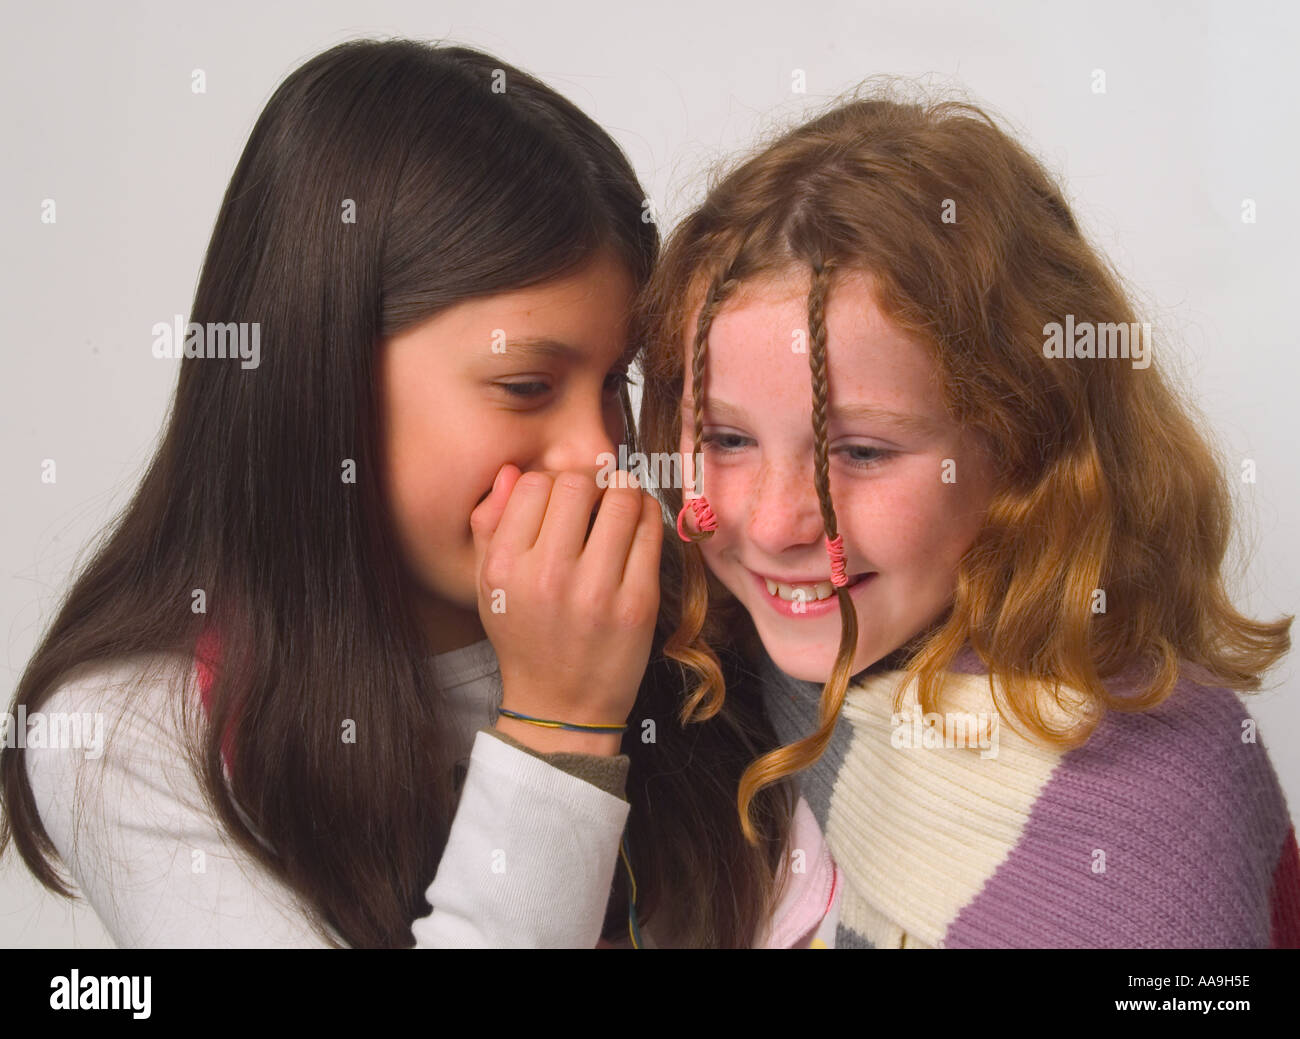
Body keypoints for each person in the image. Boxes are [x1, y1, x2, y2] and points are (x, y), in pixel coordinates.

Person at [2, 37, 668, 949]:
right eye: (527, 387)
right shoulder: (123, 736)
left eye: (614, 383)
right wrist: (562, 724)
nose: (601, 458)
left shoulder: (672, 623)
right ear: (324, 375)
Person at [633, 85, 1300, 947]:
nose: (775, 524)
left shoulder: (1162, 808)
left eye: (861, 452)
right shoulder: (736, 683)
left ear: (1025, 443)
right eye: (726, 437)